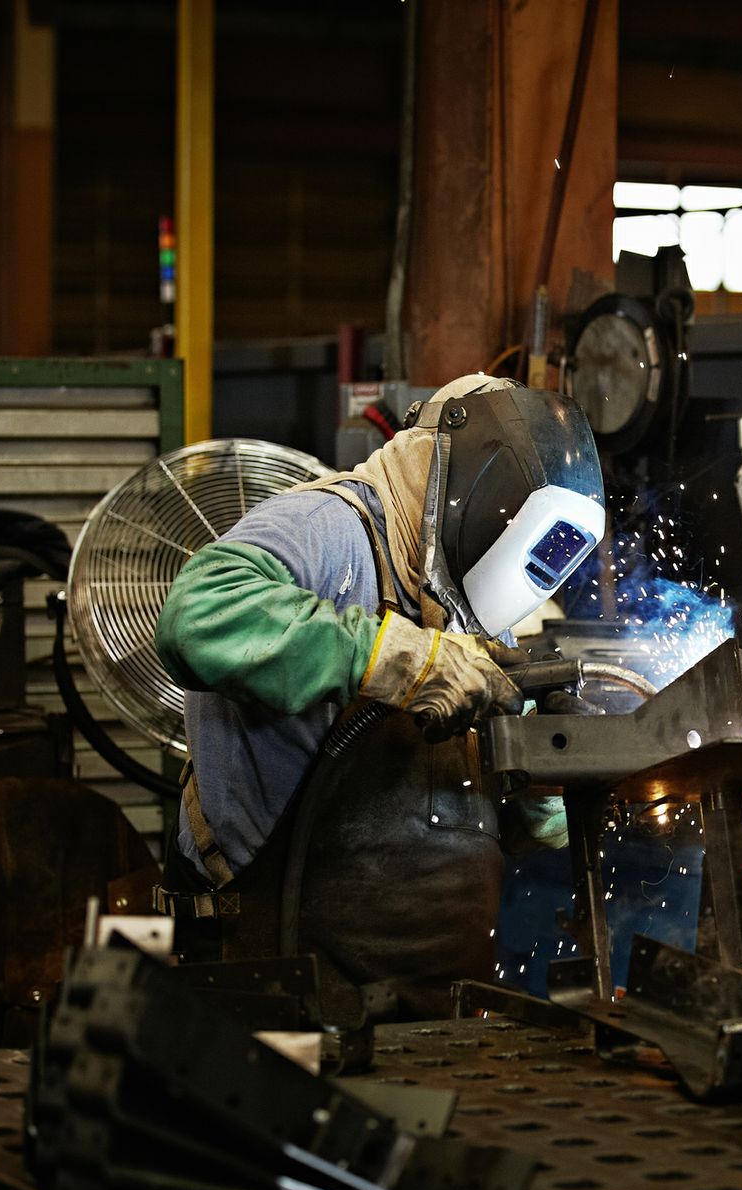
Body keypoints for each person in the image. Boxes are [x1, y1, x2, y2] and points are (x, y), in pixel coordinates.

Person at [154, 374, 606, 1024]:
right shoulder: (329, 530)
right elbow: (195, 615)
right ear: (471, 482)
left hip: (437, 1015)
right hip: (280, 992)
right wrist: (396, 659)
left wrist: (549, 777)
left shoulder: (475, 605)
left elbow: (520, 827)